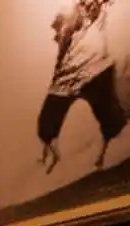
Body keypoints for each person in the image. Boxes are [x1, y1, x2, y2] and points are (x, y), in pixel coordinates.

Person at [40, 0, 125, 172]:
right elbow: (63, 34)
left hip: (93, 68)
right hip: (77, 71)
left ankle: (100, 156)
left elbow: (64, 34)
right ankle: (50, 153)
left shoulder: (92, 11)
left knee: (110, 117)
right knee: (48, 120)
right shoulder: (71, 12)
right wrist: (59, 63)